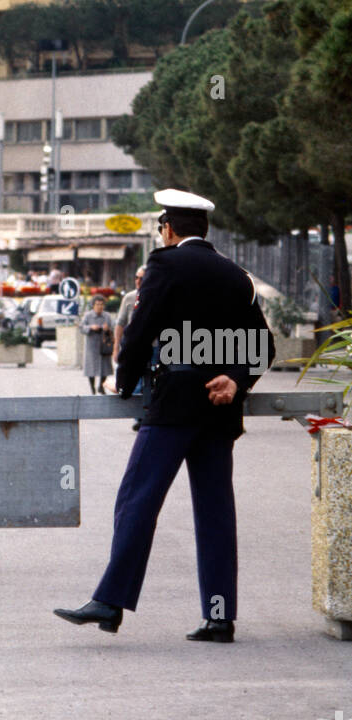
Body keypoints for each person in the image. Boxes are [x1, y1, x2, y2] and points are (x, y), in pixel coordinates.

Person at [55, 189, 275, 643]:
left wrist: (124, 379)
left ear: (168, 229)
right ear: (205, 231)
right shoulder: (238, 276)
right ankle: (219, 617)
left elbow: (140, 330)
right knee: (215, 511)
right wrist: (234, 379)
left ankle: (110, 601)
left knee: (138, 499)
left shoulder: (164, 264)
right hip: (219, 408)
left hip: (173, 402)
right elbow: (264, 345)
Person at [114, 266, 146, 430]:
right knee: (136, 383)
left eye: (142, 277)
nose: (139, 281)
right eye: (136, 277)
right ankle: (139, 417)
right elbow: (120, 324)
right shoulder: (129, 298)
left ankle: (146, 415)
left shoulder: (155, 295)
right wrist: (116, 347)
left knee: (151, 383)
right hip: (132, 348)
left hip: (153, 347)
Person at [80, 293, 114, 394]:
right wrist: (90, 327)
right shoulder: (88, 315)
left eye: (101, 304)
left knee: (105, 367)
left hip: (104, 345)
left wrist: (108, 329)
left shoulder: (107, 316)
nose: (100, 306)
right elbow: (81, 327)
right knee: (91, 368)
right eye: (97, 304)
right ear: (93, 305)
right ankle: (92, 388)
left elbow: (113, 327)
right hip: (92, 346)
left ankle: (101, 386)